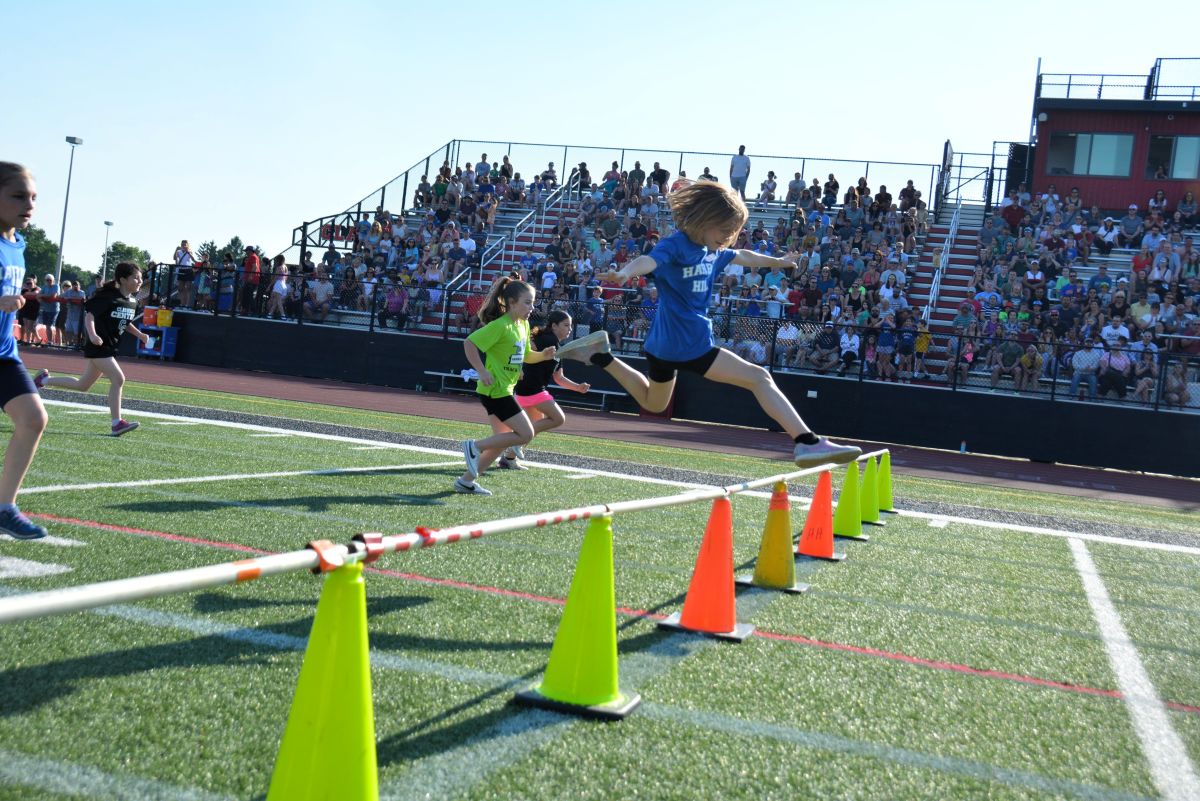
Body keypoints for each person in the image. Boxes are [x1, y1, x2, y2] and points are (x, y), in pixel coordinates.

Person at [561, 180, 860, 467]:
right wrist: (626, 272)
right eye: (725, 229)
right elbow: (648, 261)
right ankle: (807, 442)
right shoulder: (676, 244)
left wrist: (778, 261)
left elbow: (742, 255)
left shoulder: (712, 250)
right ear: (704, 219)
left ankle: (602, 355)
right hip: (689, 343)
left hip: (663, 345)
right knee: (760, 378)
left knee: (654, 404)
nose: (729, 237)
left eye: (734, 231)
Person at [457, 275, 558, 495]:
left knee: (501, 441)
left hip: (503, 389)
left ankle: (466, 481)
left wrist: (543, 355)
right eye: (527, 302)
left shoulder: (523, 324)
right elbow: (469, 343)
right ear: (512, 303)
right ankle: (474, 446)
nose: (532, 307)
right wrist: (481, 371)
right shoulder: (501, 325)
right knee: (526, 434)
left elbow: (527, 355)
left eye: (533, 303)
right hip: (496, 390)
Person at [35, 262, 149, 437]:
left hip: (109, 347)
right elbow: (90, 317)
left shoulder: (132, 302)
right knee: (118, 378)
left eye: (140, 278)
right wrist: (93, 335)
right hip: (98, 347)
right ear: (123, 279)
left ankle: (43, 380)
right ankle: (117, 423)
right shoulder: (108, 297)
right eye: (136, 278)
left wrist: (140, 335)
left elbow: (124, 322)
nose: (140, 281)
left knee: (83, 385)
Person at [0, 163, 49, 538]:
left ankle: (5, 508)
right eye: (18, 196)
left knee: (33, 419)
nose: (28, 204)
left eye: (32, 197)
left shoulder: (17, 245)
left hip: (5, 355)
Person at [497, 310, 592, 470]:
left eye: (570, 326)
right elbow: (524, 348)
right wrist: (517, 366)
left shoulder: (557, 347)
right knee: (558, 418)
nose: (569, 329)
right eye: (566, 325)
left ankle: (508, 459)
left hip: (529, 389)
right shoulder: (547, 339)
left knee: (534, 425)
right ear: (554, 326)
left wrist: (578, 387)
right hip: (531, 388)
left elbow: (559, 378)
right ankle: (510, 445)